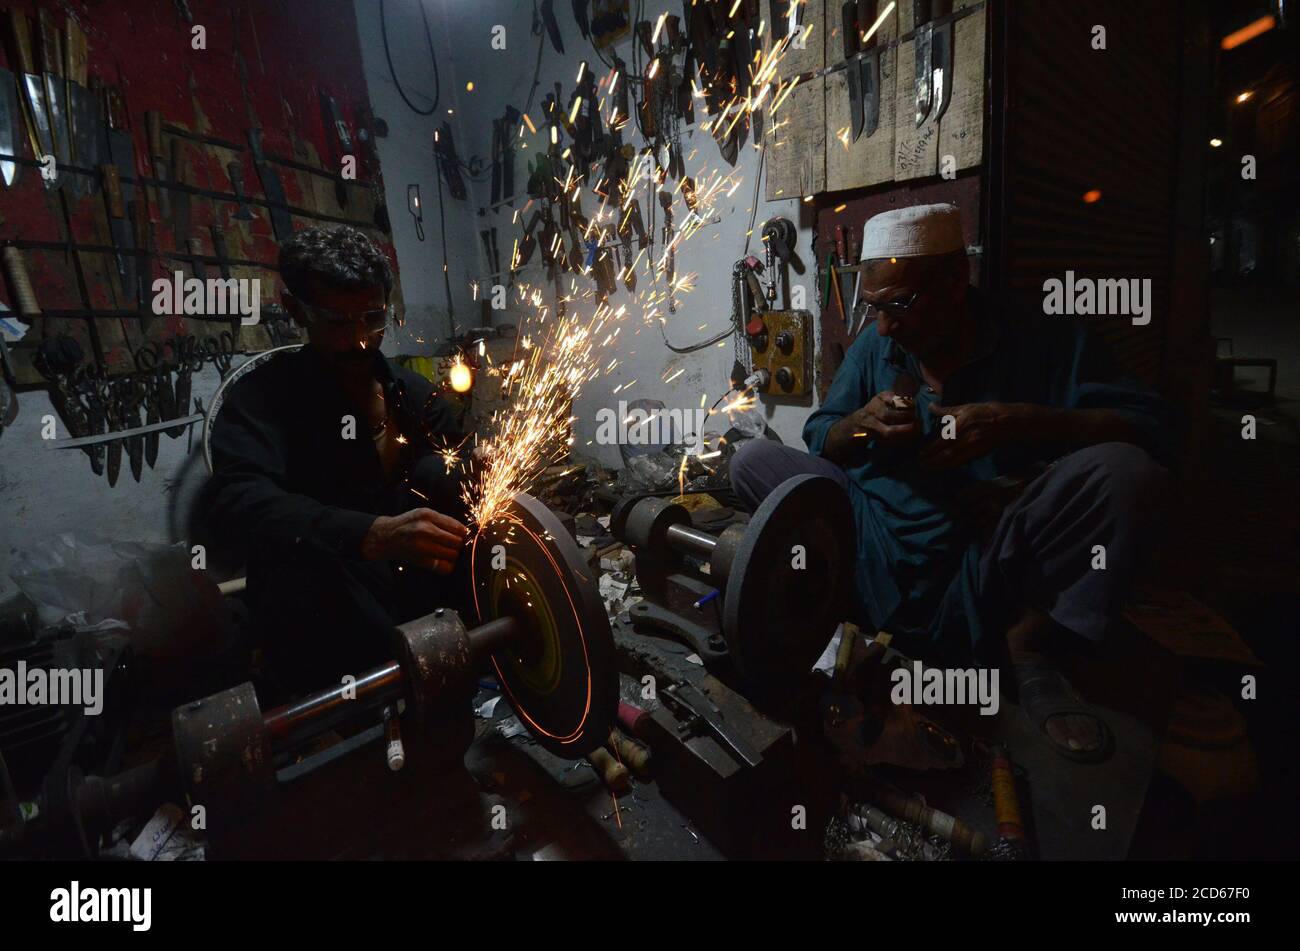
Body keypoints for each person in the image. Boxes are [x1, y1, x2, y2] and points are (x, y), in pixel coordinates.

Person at [730, 204, 1172, 761]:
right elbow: (821, 436)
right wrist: (858, 424)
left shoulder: (1040, 339)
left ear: (956, 280)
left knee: (1126, 474)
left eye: (899, 306)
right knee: (752, 463)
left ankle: (1028, 644)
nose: (885, 326)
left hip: (987, 544)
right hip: (877, 536)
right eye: (873, 309)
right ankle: (841, 609)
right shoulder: (877, 344)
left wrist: (1015, 421)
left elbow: (1149, 429)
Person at [203, 226, 469, 693]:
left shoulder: (409, 392)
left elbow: (464, 461)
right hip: (323, 605)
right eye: (338, 322)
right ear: (295, 311)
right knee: (303, 573)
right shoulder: (260, 400)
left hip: (412, 589)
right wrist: (367, 534)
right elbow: (240, 500)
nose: (361, 340)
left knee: (439, 470)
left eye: (372, 318)